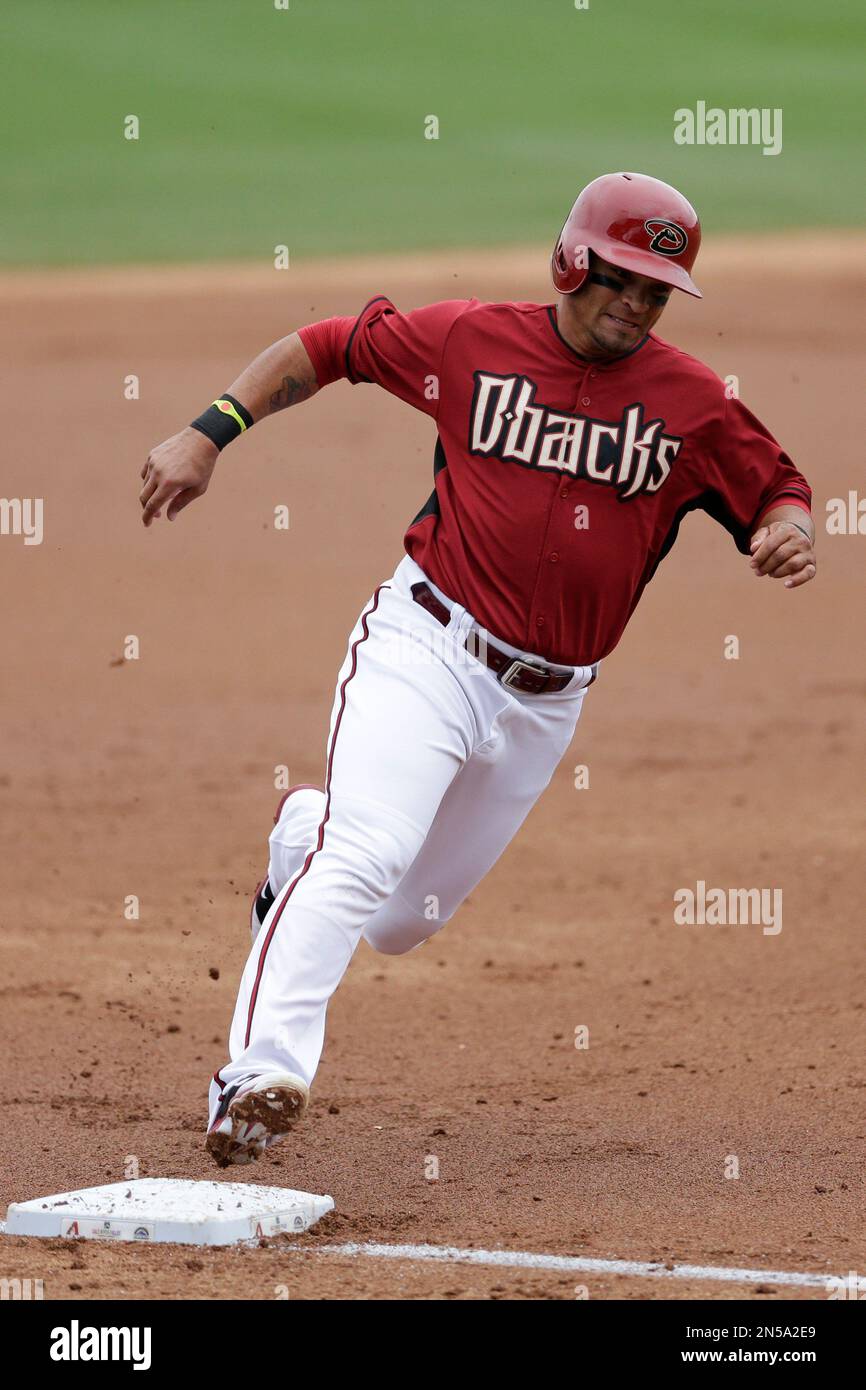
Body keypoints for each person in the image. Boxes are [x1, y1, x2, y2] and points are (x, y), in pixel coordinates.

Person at [139, 172, 816, 1167]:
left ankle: (298, 843)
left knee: (400, 921)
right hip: (425, 647)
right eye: (618, 278)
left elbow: (777, 487)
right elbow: (331, 346)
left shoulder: (692, 402)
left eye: (654, 291)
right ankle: (255, 1074)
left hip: (544, 706)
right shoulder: (469, 341)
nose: (632, 304)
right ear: (569, 260)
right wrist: (208, 433)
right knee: (364, 850)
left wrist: (786, 532)